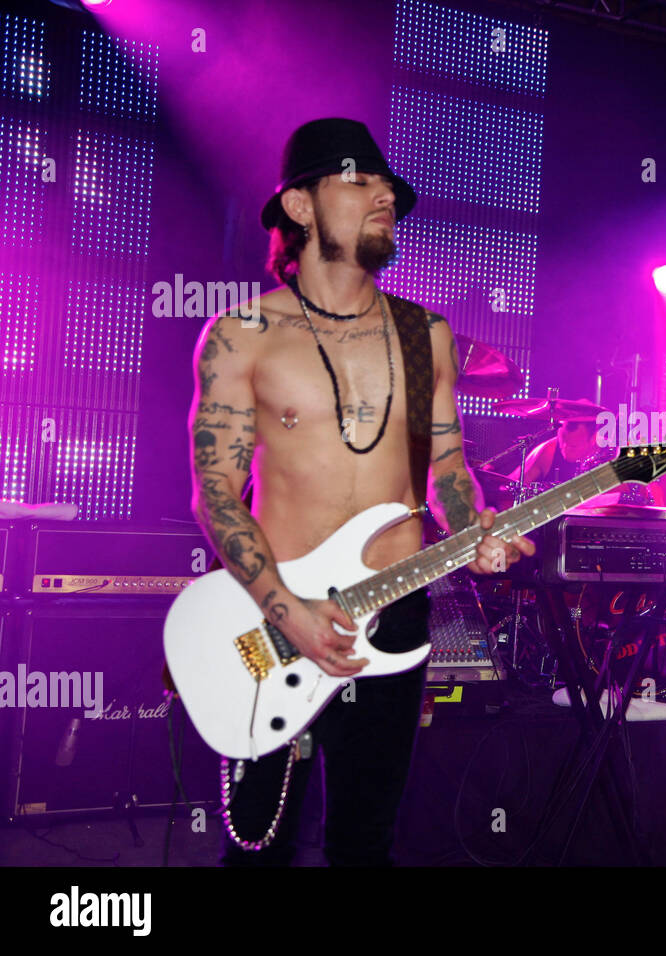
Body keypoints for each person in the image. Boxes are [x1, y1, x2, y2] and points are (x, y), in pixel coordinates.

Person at [189, 118, 534, 865]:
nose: (385, 195)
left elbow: (448, 469)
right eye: (359, 180)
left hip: (395, 608)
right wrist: (290, 610)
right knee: (258, 847)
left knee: (365, 843)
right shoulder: (241, 335)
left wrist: (477, 529)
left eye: (387, 186)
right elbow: (215, 493)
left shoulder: (426, 335)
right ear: (301, 208)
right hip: (272, 616)